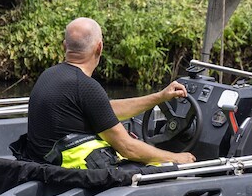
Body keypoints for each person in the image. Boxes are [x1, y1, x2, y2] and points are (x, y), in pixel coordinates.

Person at [18, 17, 196, 168]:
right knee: (155, 165)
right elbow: (128, 148)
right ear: (99, 48)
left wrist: (159, 97)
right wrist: (177, 158)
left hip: (43, 166)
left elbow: (103, 110)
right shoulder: (86, 86)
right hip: (72, 174)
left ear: (65, 46)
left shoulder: (49, 75)